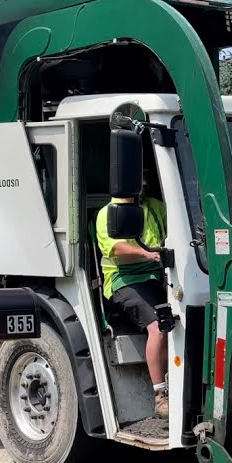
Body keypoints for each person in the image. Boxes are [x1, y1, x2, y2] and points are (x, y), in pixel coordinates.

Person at [95, 178, 170, 418]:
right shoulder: (108, 213)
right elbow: (115, 249)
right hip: (125, 280)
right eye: (140, 176)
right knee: (159, 326)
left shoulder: (156, 206)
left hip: (158, 275)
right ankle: (161, 396)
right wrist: (146, 253)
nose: (145, 181)